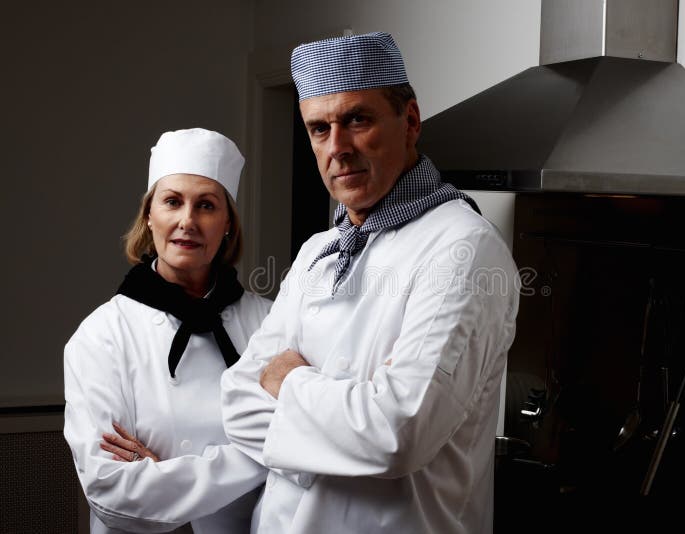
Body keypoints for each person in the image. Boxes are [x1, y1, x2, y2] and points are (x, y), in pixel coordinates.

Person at [220, 32, 520, 533]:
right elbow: (236, 403)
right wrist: (352, 407)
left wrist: (289, 378)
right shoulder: (320, 250)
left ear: (410, 121)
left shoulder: (464, 248)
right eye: (319, 129)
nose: (337, 148)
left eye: (357, 119)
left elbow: (396, 433)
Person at [64, 128, 272, 533]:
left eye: (207, 206)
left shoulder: (270, 323)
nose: (187, 221)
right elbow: (111, 491)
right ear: (149, 215)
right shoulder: (102, 336)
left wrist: (165, 478)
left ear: (228, 223)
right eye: (172, 202)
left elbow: (305, 453)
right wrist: (260, 456)